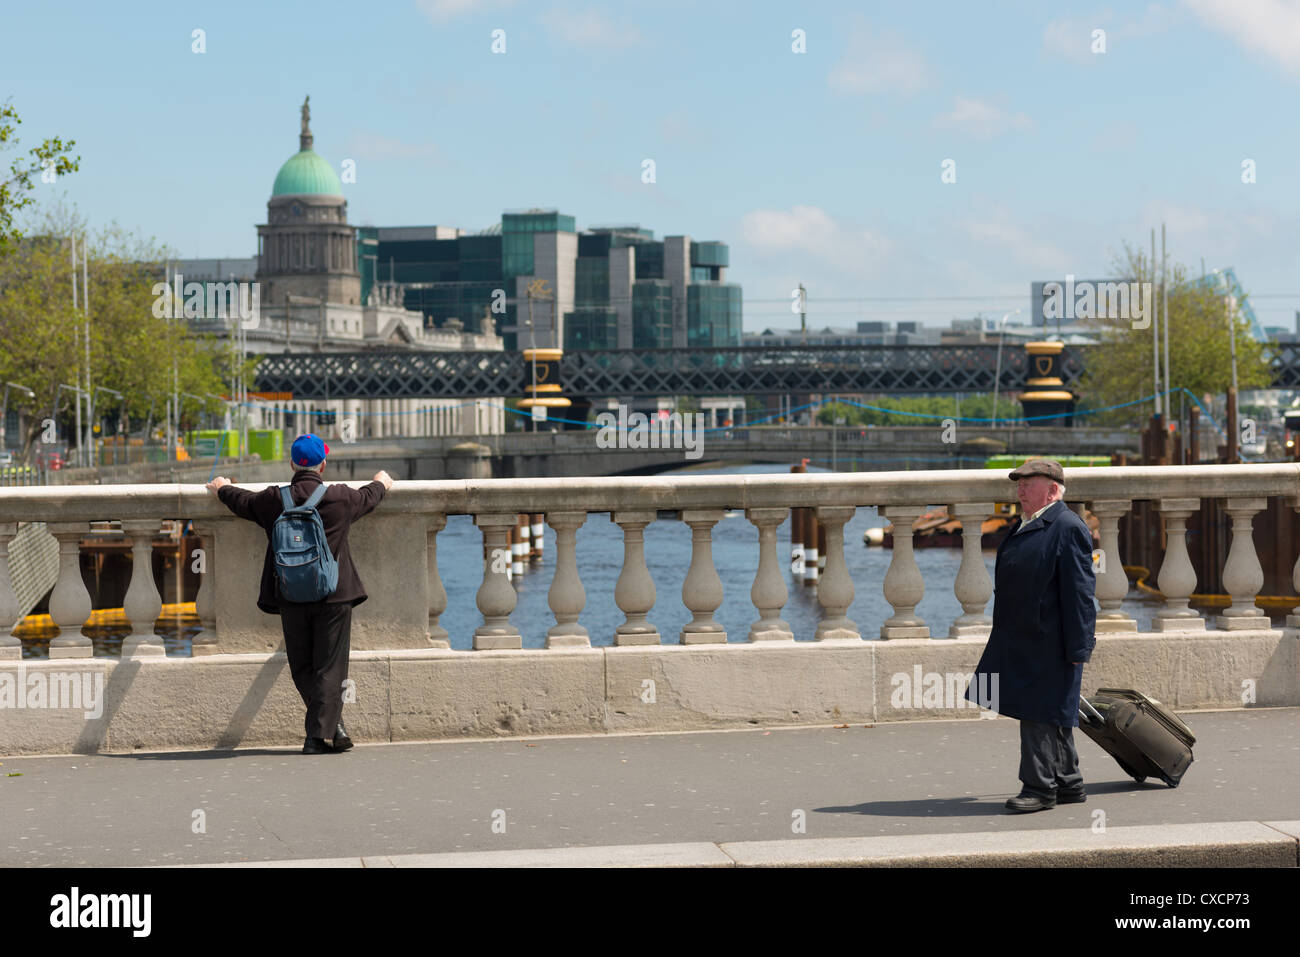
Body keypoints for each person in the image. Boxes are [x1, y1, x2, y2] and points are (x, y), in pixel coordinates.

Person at [205, 434, 394, 755]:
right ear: (323, 463)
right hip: (334, 594)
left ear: (292, 464)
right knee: (330, 668)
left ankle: (328, 731)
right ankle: (320, 735)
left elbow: (243, 502)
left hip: (290, 591)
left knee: (303, 666)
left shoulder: (273, 499)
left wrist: (222, 487)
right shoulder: (340, 498)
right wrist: (382, 482)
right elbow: (369, 497)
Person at [965, 458, 1097, 812]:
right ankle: (1069, 782)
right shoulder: (1028, 523)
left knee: (1038, 712)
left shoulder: (1067, 527)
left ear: (1052, 490)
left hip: (1049, 639)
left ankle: (1039, 788)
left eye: (1028, 484)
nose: (1020, 490)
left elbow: (1081, 594)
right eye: (1018, 484)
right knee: (1054, 710)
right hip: (1025, 635)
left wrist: (1079, 646)